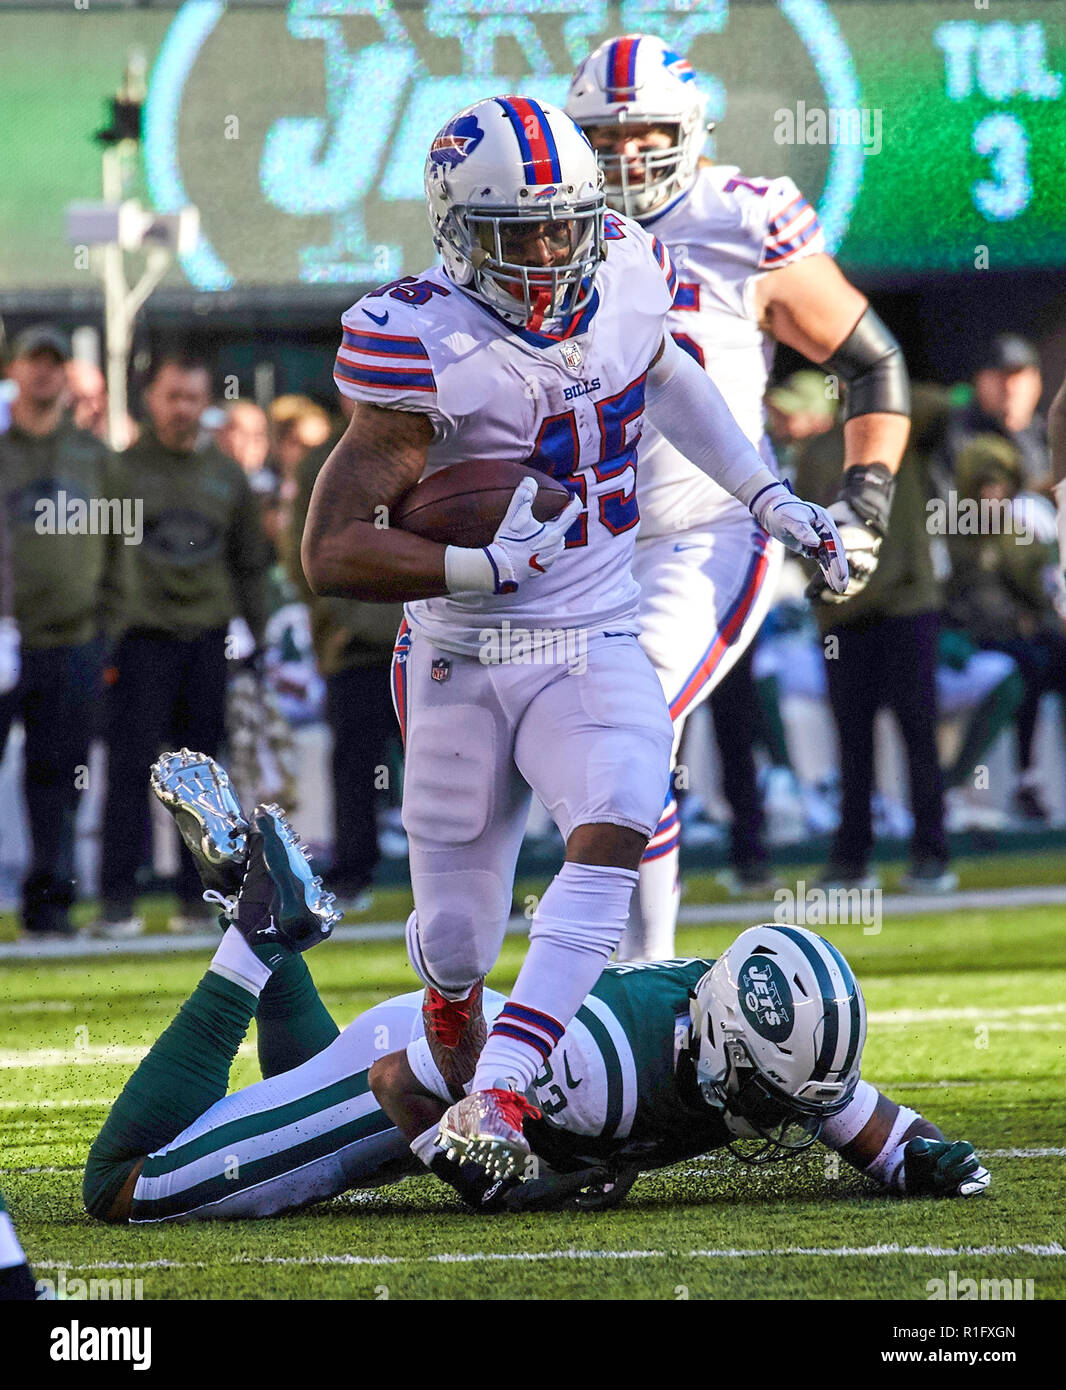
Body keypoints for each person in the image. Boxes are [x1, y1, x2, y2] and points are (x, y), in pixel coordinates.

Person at [300, 94, 847, 1178]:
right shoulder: (421, 339)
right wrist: (478, 563)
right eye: (522, 231)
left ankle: (498, 1094)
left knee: (621, 805)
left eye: (567, 221)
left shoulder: (634, 266)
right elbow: (327, 549)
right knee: (456, 932)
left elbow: (669, 376)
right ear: (458, 230)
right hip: (460, 649)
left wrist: (766, 496)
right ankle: (451, 1012)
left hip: (593, 626)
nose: (553, 250)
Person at [83, 752, 989, 1223]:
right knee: (121, 1189)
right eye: (768, 1093)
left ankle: (268, 904)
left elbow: (867, 1123)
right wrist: (551, 1184)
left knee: (297, 1076)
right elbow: (402, 1087)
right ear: (722, 1048)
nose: (785, 1117)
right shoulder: (596, 1074)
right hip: (419, 1071)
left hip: (447, 1060)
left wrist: (929, 1161)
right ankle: (254, 940)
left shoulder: (756, 1044)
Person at [565, 34, 912, 955]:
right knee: (589, 751)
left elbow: (871, 364)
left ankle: (633, 977)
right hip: (578, 545)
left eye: (647, 132)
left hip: (708, 528)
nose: (628, 152)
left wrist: (864, 504)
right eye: (607, 134)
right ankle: (601, 978)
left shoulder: (744, 218)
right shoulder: (553, 225)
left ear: (692, 130)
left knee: (627, 725)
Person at [93, 353, 272, 937]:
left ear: (205, 401)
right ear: (152, 400)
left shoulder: (226, 474)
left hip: (207, 639)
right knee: (127, 774)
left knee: (205, 780)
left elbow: (250, 562)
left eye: (193, 397)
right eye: (173, 396)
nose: (183, 409)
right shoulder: (117, 472)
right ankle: (117, 902)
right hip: (141, 640)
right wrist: (104, 635)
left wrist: (257, 633)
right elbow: (97, 559)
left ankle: (203, 900)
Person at [795, 383, 954, 891]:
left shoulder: (899, 429)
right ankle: (851, 858)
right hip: (844, 617)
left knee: (918, 735)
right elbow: (800, 528)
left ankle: (931, 854)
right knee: (853, 744)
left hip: (908, 605)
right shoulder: (818, 451)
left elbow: (942, 406)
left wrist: (882, 374)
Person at [0, 325, 123, 938]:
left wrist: (109, 630)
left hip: (73, 640)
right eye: (34, 362)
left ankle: (49, 906)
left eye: (54, 363)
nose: (44, 373)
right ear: (15, 369)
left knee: (58, 779)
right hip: (3, 639)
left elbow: (122, 547)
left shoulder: (92, 455)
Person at [288, 425, 404, 907]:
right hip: (354, 644)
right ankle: (353, 873)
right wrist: (340, 618)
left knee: (444, 763)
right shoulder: (322, 460)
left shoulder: (437, 439)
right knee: (354, 764)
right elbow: (301, 553)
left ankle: (453, 875)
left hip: (422, 636)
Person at [942, 334, 1048, 490]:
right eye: (1000, 377)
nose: (1009, 388)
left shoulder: (1049, 435)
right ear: (980, 380)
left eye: (1017, 376)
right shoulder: (958, 435)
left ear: (1036, 381)